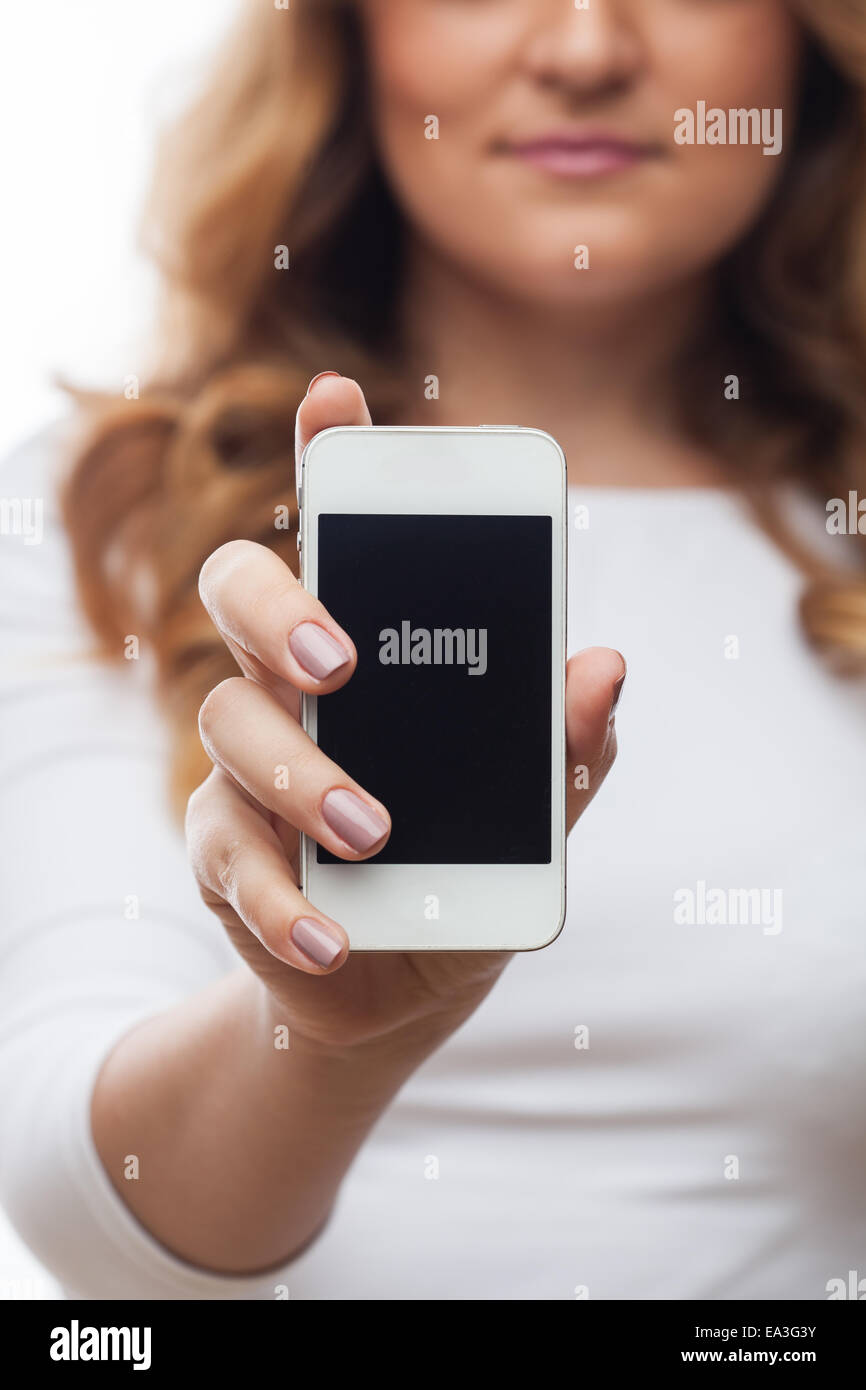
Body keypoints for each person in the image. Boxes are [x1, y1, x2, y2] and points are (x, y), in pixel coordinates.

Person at [1, 0, 864, 1300]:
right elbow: (83, 1212)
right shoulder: (103, 509)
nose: (583, 50)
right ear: (344, 31)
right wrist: (323, 1040)